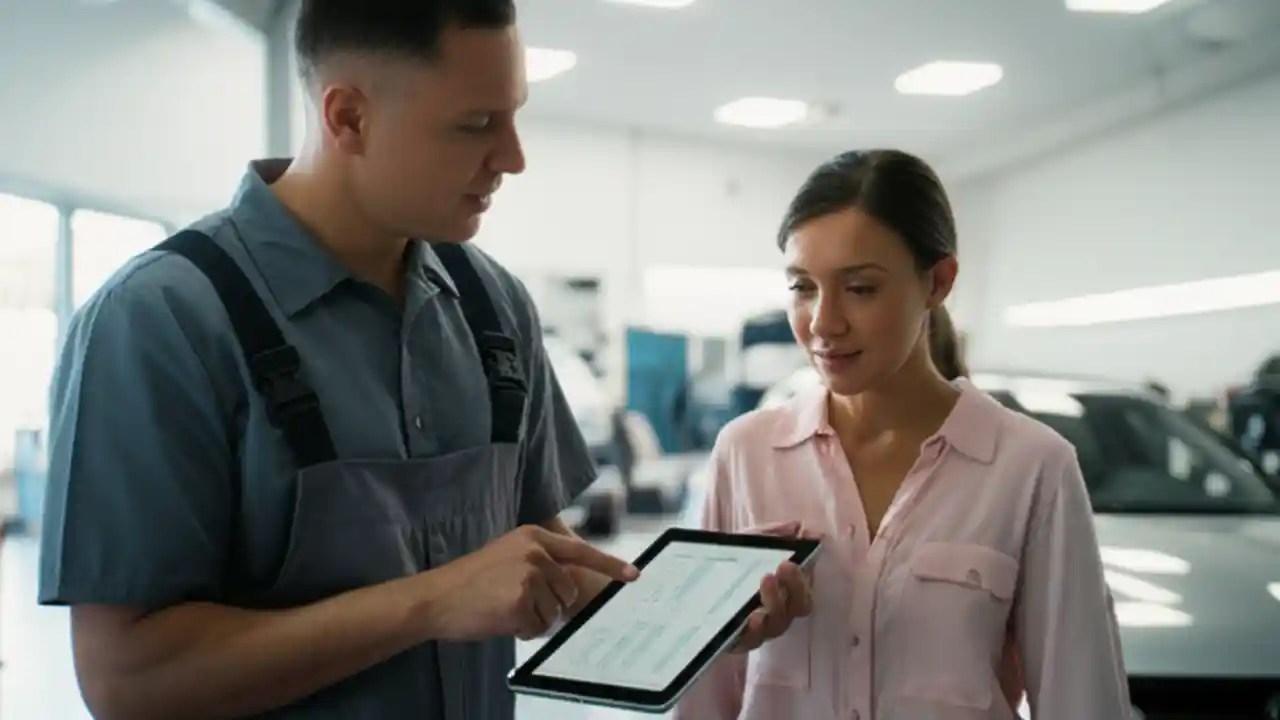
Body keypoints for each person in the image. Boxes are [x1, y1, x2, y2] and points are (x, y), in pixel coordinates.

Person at [37, 4, 812, 719]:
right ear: (348, 116)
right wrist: (431, 602)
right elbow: (126, 681)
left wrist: (695, 619)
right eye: (475, 125)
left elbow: (539, 564)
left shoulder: (493, 308)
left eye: (514, 116)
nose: (512, 158)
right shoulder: (163, 321)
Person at [676, 149, 1131, 720]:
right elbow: (702, 699)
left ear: (938, 282)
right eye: (803, 287)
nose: (823, 323)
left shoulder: (1032, 467)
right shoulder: (746, 453)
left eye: (860, 288)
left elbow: (1082, 700)